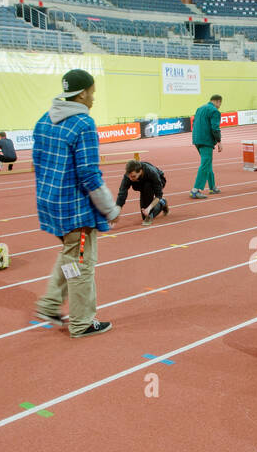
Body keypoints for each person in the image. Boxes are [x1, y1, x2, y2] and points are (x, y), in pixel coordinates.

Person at [31, 68, 119, 338]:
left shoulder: (45, 120)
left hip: (50, 205)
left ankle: (50, 304)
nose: (93, 98)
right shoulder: (83, 125)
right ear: (82, 93)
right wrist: (110, 208)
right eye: (92, 92)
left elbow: (38, 162)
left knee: (71, 254)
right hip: (75, 209)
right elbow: (89, 174)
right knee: (81, 264)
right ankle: (82, 322)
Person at [117, 158, 169, 226]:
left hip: (158, 181)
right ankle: (158, 205)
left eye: (133, 176)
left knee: (148, 213)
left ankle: (162, 202)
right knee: (145, 214)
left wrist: (149, 208)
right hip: (141, 184)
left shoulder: (151, 173)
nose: (130, 179)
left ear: (140, 171)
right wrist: (116, 212)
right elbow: (122, 193)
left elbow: (158, 194)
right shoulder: (129, 175)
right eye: (129, 176)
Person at [191, 93, 223, 199]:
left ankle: (212, 186)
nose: (220, 105)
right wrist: (219, 141)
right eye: (220, 103)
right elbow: (215, 128)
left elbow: (194, 122)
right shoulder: (214, 111)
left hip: (197, 139)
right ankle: (196, 189)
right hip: (206, 140)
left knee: (207, 163)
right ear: (218, 101)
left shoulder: (200, 108)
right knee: (205, 164)